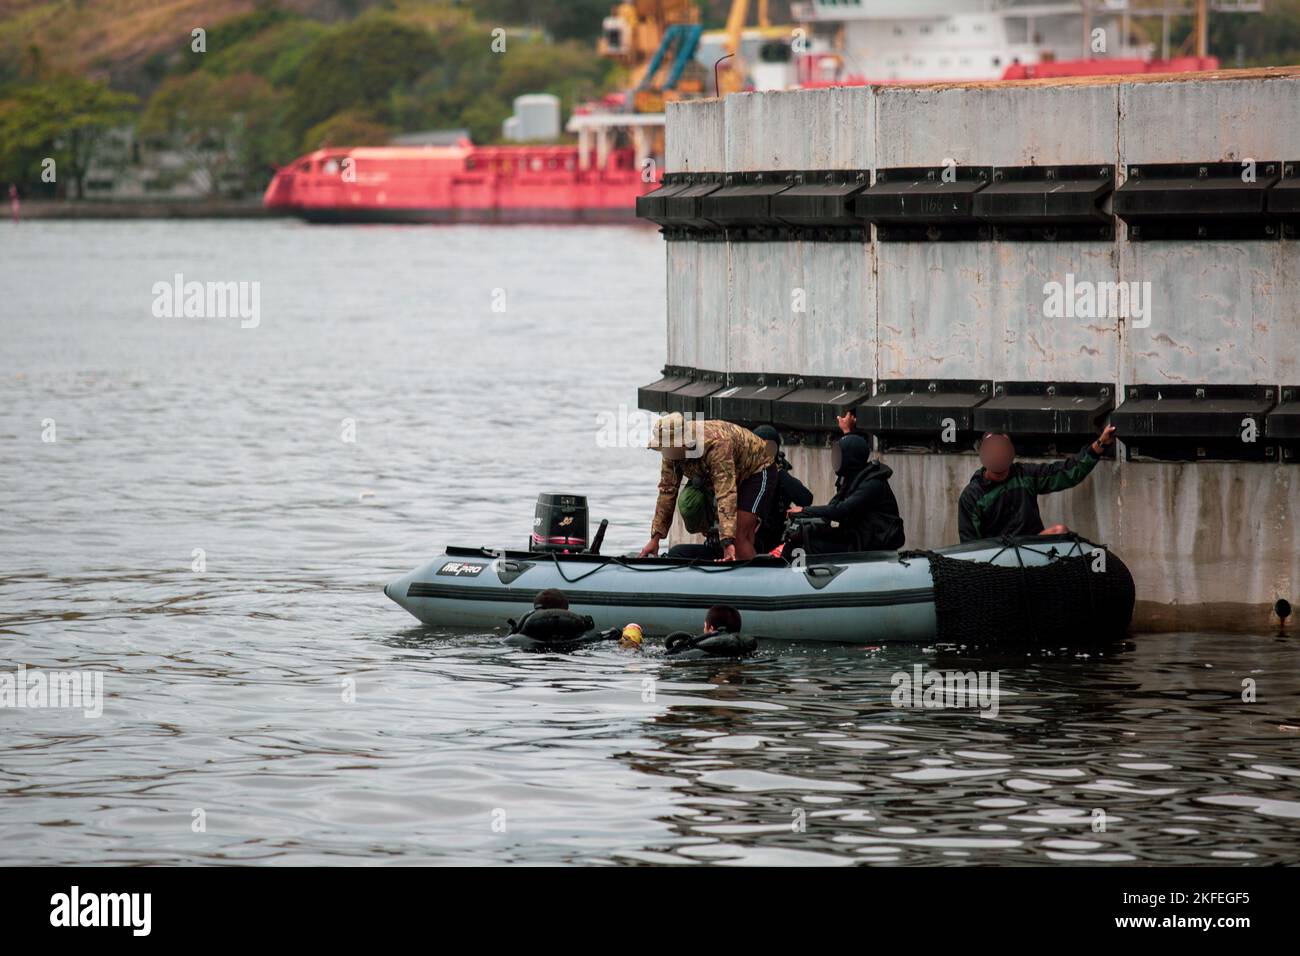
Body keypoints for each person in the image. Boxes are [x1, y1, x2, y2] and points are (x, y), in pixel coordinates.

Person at [641, 413, 777, 562]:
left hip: (757, 469)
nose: (667, 454)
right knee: (694, 506)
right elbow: (667, 491)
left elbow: (725, 492)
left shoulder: (716, 444)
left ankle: (750, 575)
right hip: (721, 473)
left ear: (684, 443)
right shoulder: (670, 451)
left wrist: (727, 541)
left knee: (739, 537)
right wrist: (655, 538)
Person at [957, 424, 1116, 542]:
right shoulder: (971, 496)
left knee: (1060, 531)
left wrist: (1100, 444)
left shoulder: (1025, 475)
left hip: (1032, 548)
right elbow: (969, 545)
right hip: (997, 557)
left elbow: (1067, 473)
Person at [787, 433, 905, 554]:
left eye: (840, 455)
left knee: (813, 545)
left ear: (851, 457)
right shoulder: (850, 478)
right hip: (856, 535)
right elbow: (832, 506)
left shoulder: (873, 483)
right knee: (808, 534)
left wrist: (804, 510)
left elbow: (841, 510)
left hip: (872, 541)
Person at [751, 425, 813, 553]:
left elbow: (805, 499)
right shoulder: (745, 472)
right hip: (748, 538)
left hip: (776, 540)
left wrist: (777, 470)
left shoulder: (780, 474)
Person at [664, 605, 756, 659]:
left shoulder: (700, 652)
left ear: (711, 629)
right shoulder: (746, 652)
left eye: (705, 626)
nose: (704, 630)